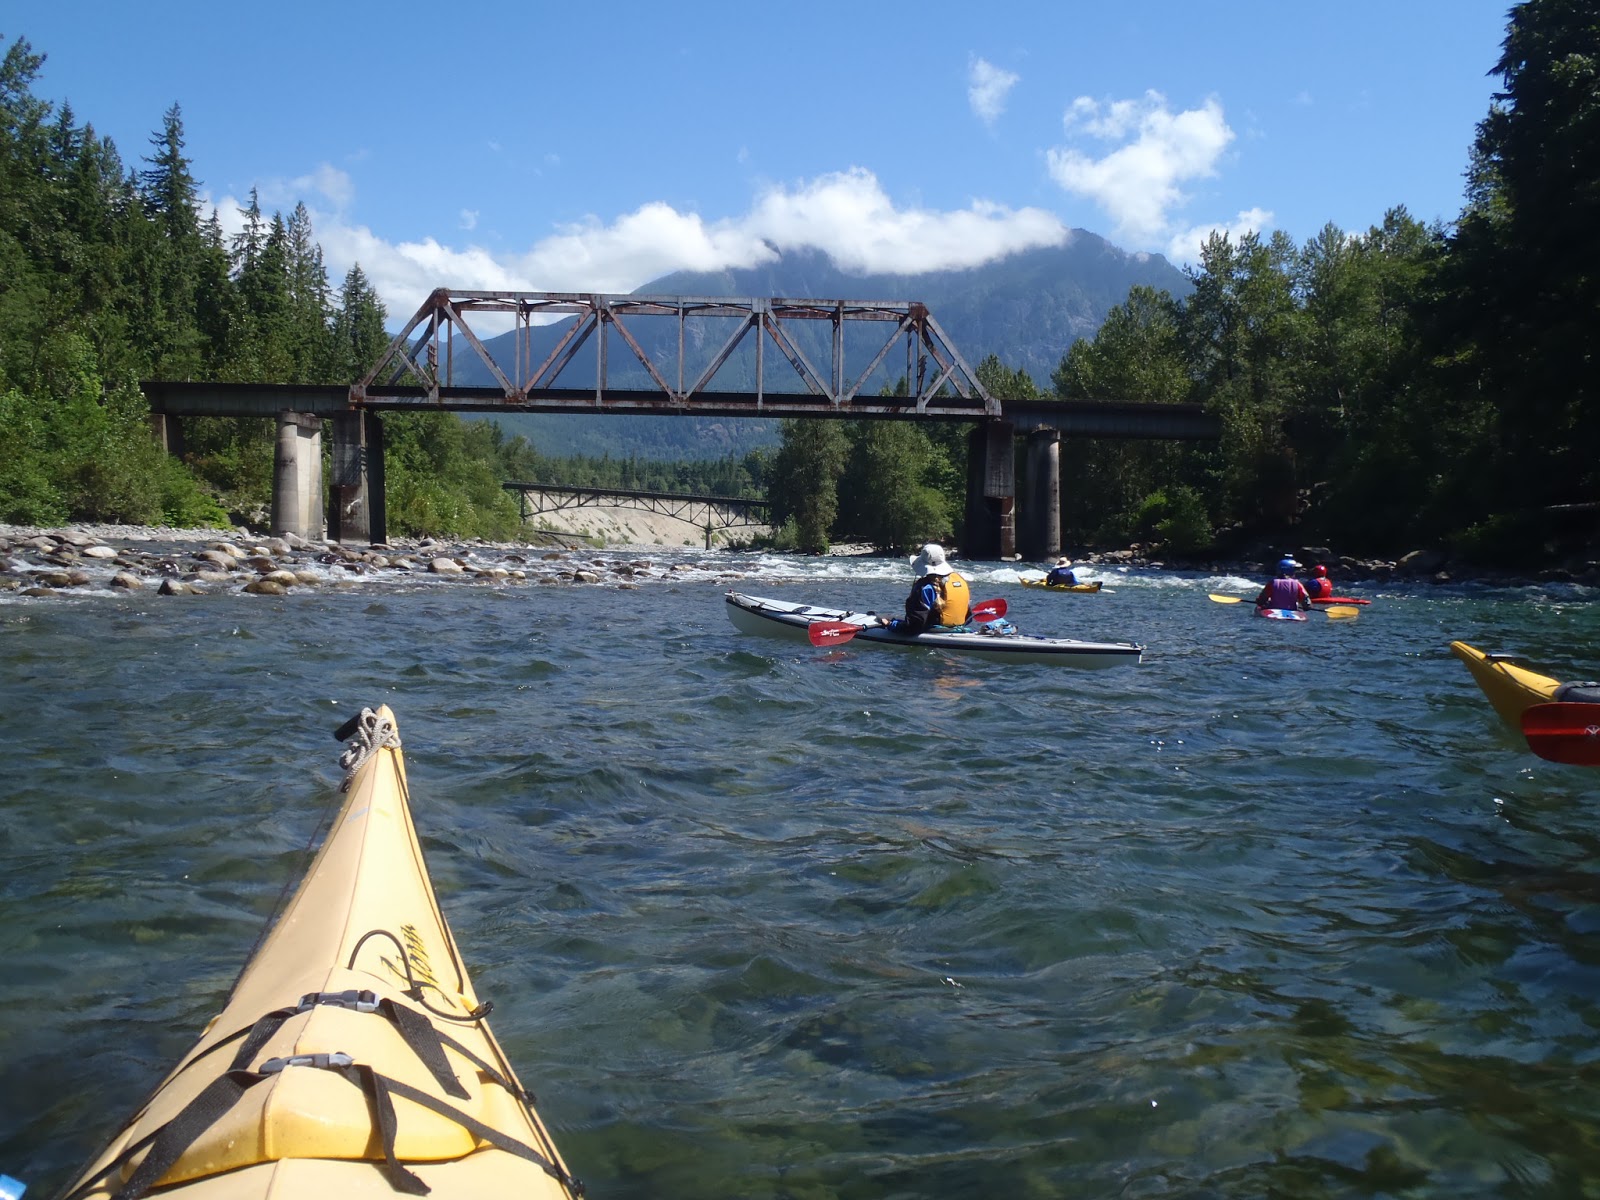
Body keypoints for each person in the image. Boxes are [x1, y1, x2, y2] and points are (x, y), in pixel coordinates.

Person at [879, 543, 971, 634]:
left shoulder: (925, 588)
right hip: (957, 628)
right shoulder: (959, 581)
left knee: (886, 619)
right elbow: (968, 616)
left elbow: (913, 627)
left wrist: (891, 625)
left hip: (933, 631)